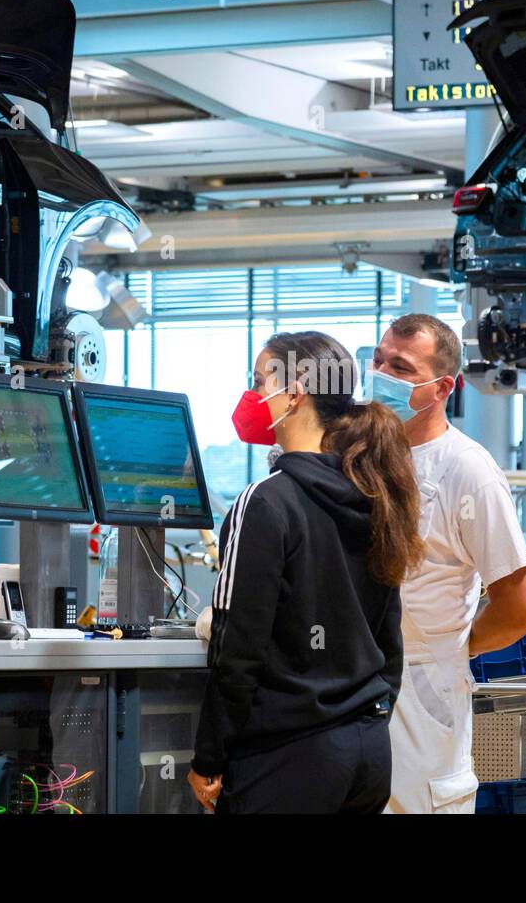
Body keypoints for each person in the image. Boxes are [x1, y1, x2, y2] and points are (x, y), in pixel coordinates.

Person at [187, 332, 423, 814]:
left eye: (258, 382)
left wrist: (208, 757)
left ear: (293, 393)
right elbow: (389, 640)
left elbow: (237, 648)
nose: (251, 395)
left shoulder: (265, 501)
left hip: (288, 760)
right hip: (368, 754)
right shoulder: (375, 493)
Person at [367, 313, 526, 814]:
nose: (380, 375)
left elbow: (519, 609)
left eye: (399, 367)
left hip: (425, 689)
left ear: (442, 385)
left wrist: (447, 651)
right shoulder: (360, 454)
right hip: (353, 683)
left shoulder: (468, 471)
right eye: (378, 360)